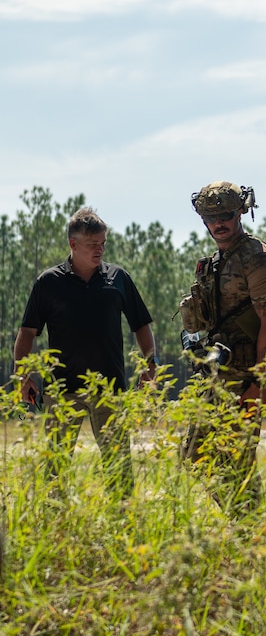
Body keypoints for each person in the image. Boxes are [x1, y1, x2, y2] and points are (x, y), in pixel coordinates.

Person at [13, 207, 157, 499]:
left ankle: (122, 524)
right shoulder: (48, 283)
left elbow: (141, 324)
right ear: (73, 244)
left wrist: (150, 363)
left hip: (110, 388)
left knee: (119, 467)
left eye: (103, 243)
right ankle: (56, 527)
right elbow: (27, 332)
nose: (100, 249)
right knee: (56, 467)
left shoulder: (118, 279)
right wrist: (22, 375)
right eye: (93, 244)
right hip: (62, 390)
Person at [180, 182, 266, 518]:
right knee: (196, 455)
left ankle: (256, 536)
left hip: (245, 378)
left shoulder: (258, 259)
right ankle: (248, 527)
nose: (218, 223)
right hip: (217, 376)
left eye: (225, 215)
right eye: (210, 217)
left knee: (235, 462)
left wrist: (259, 386)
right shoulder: (217, 262)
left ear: (240, 213)